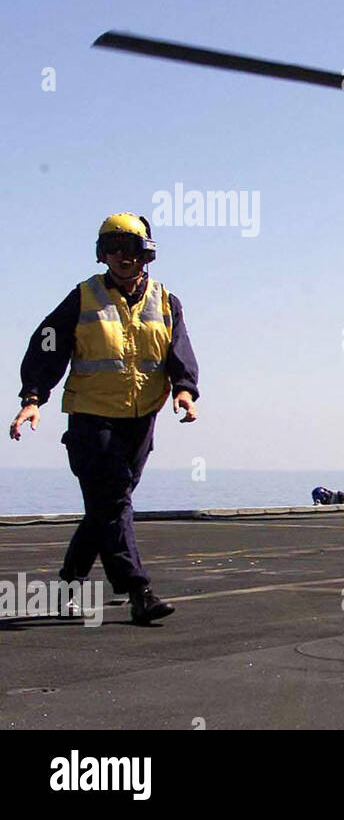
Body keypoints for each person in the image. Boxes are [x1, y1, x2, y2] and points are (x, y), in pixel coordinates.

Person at [9, 213, 198, 624]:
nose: (121, 256)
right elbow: (46, 346)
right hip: (91, 418)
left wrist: (185, 390)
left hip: (140, 419)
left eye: (130, 248)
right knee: (114, 501)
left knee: (106, 509)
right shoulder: (83, 298)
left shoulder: (166, 302)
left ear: (146, 254)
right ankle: (138, 591)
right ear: (102, 254)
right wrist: (33, 397)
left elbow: (179, 350)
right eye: (112, 248)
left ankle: (68, 585)